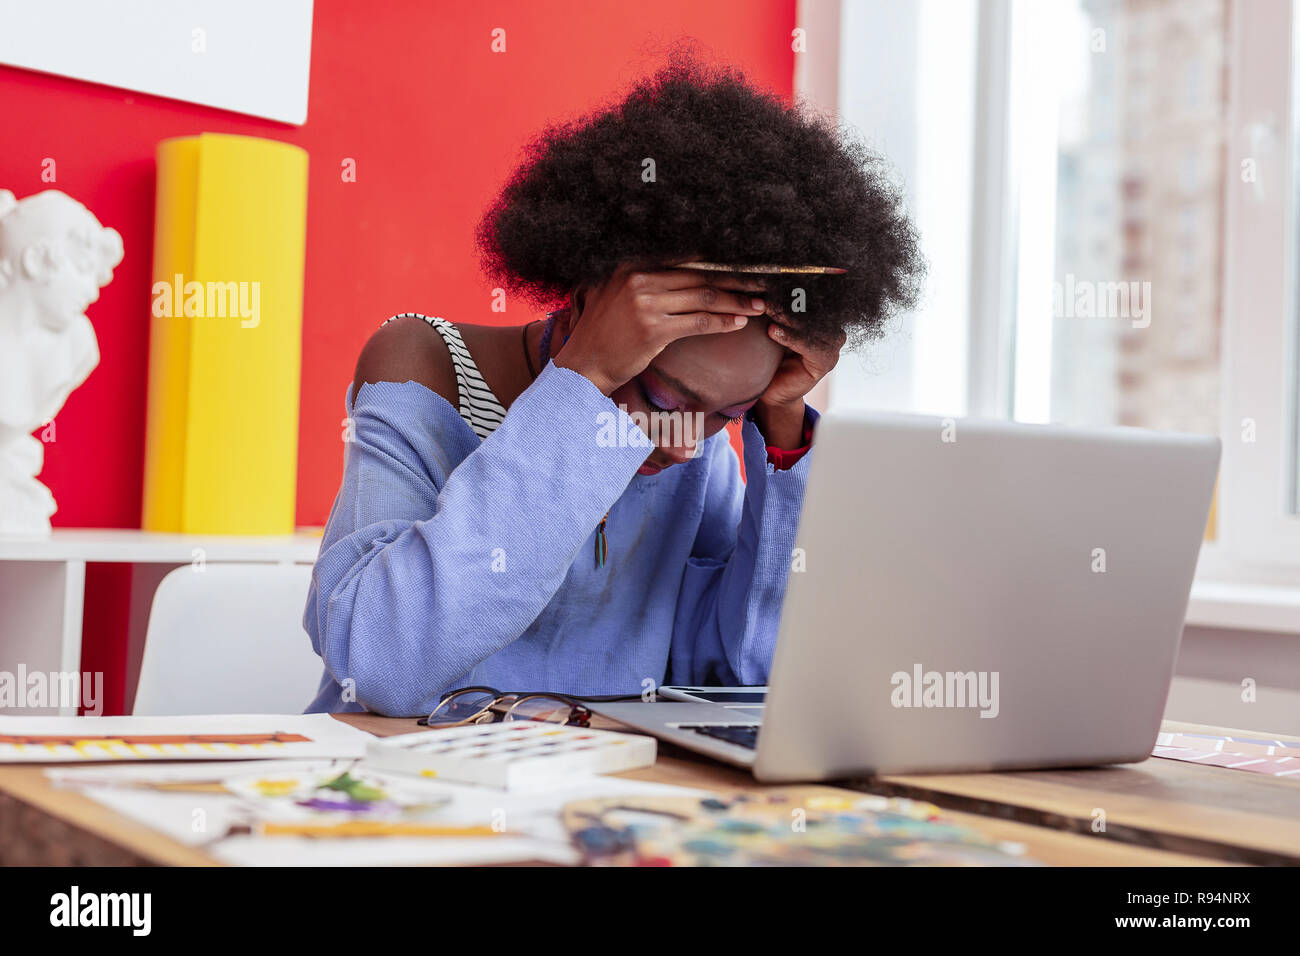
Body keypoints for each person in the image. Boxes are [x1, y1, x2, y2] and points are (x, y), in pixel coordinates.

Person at [303, 54, 924, 716]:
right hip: (403, 797)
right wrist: (581, 382)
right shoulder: (425, 365)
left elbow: (741, 674)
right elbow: (380, 664)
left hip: (603, 804)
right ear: (581, 306)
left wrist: (778, 427)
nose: (689, 444)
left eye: (728, 415)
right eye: (666, 400)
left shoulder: (701, 439)